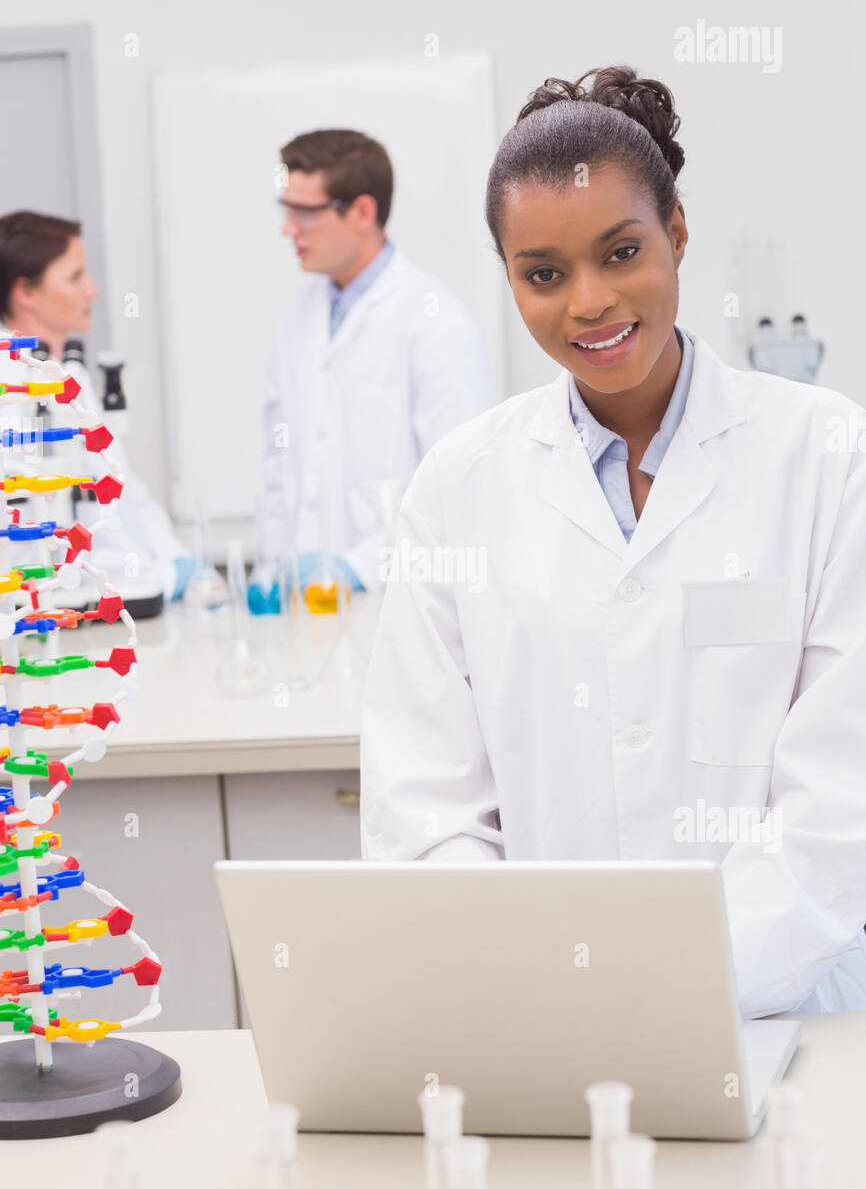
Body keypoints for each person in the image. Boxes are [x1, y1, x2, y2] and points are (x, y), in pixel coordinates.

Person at [359, 65, 866, 1021]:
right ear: (510, 277)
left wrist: (668, 990)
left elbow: (840, 807)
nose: (587, 301)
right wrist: (544, 987)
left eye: (621, 251)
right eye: (543, 274)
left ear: (676, 231)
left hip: (787, 1010)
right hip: (543, 1018)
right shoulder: (458, 487)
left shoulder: (830, 455)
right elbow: (425, 809)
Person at [250, 128, 493, 608]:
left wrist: (358, 570)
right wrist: (273, 564)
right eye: (287, 210)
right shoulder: (300, 315)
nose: (288, 229)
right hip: (304, 603)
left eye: (305, 213)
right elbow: (281, 465)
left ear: (361, 212)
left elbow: (456, 490)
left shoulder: (436, 322)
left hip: (395, 599)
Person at [0, 210, 191, 603]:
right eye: (75, 277)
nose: (92, 290)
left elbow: (123, 490)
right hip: (59, 609)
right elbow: (33, 524)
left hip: (127, 590)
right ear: (26, 293)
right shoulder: (11, 388)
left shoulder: (69, 373)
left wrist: (176, 562)